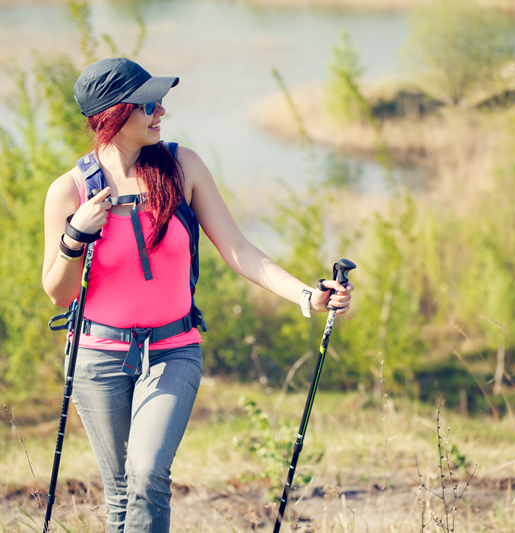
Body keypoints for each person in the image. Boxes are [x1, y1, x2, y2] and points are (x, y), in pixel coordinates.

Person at [41, 57, 354, 533]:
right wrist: (75, 237)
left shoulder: (182, 167)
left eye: (161, 100)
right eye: (148, 103)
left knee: (147, 475)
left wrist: (307, 295)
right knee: (122, 494)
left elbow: (240, 250)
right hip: (95, 356)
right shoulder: (70, 191)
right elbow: (59, 294)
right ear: (113, 114)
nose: (161, 110)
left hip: (173, 351)